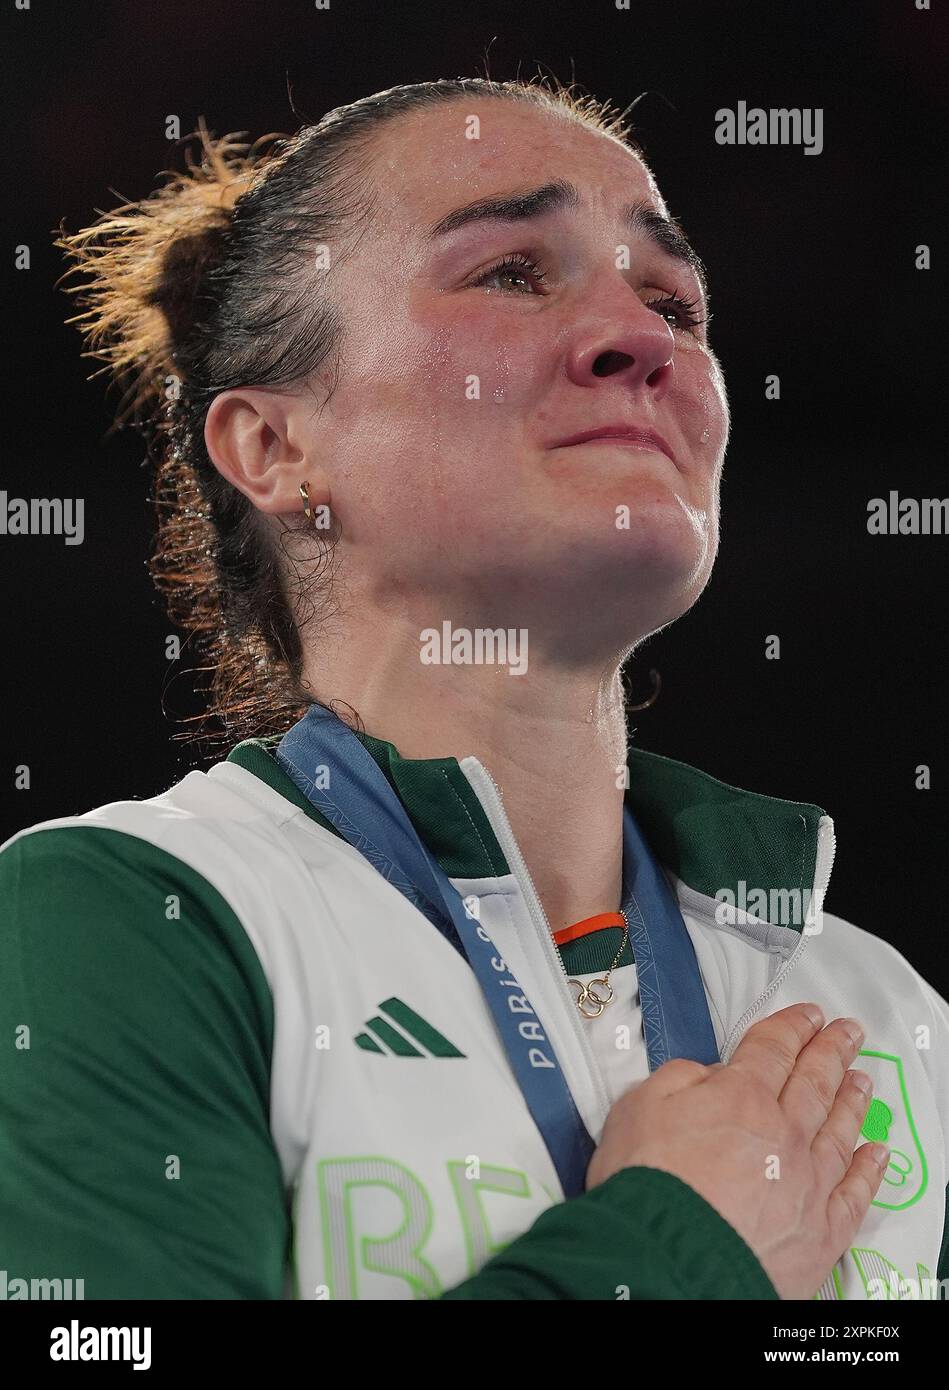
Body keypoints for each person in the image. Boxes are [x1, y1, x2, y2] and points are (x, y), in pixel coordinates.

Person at [1, 76, 946, 1302]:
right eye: (511, 271)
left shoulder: (878, 1010)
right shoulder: (128, 921)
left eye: (673, 299)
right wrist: (677, 1245)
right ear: (276, 448)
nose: (646, 338)